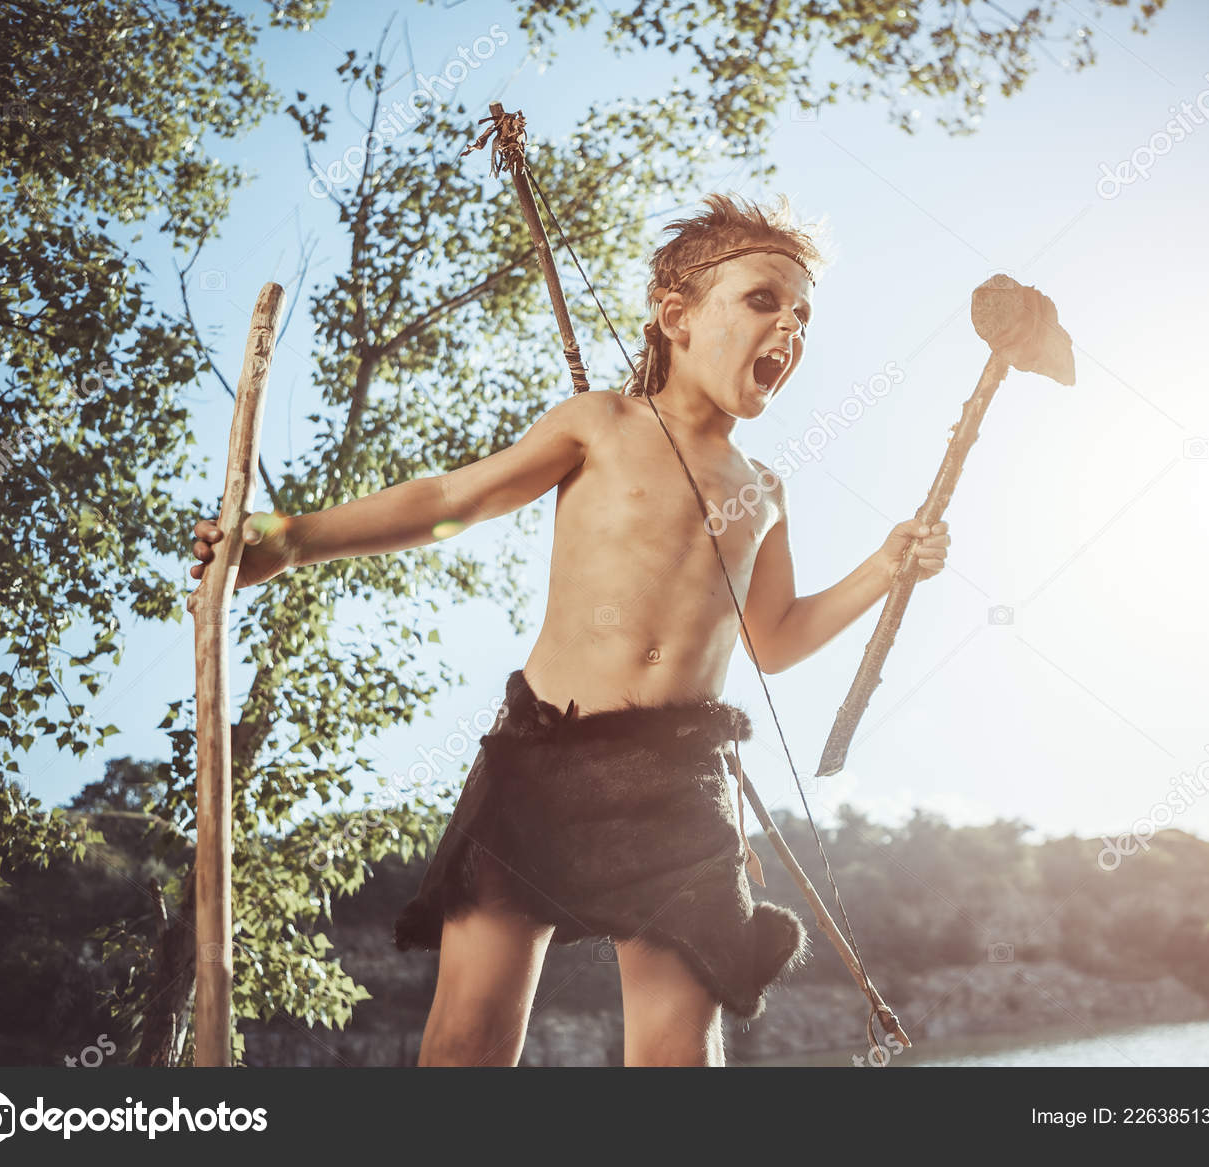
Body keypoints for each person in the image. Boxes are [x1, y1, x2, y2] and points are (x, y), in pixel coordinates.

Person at [189, 193, 950, 1066]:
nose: (790, 326)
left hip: (678, 783)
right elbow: (451, 499)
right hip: (543, 755)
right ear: (676, 316)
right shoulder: (602, 424)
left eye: (803, 313)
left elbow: (774, 636)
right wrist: (289, 539)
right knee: (467, 1040)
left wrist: (885, 566)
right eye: (763, 299)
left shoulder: (765, 489)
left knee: (677, 1056)